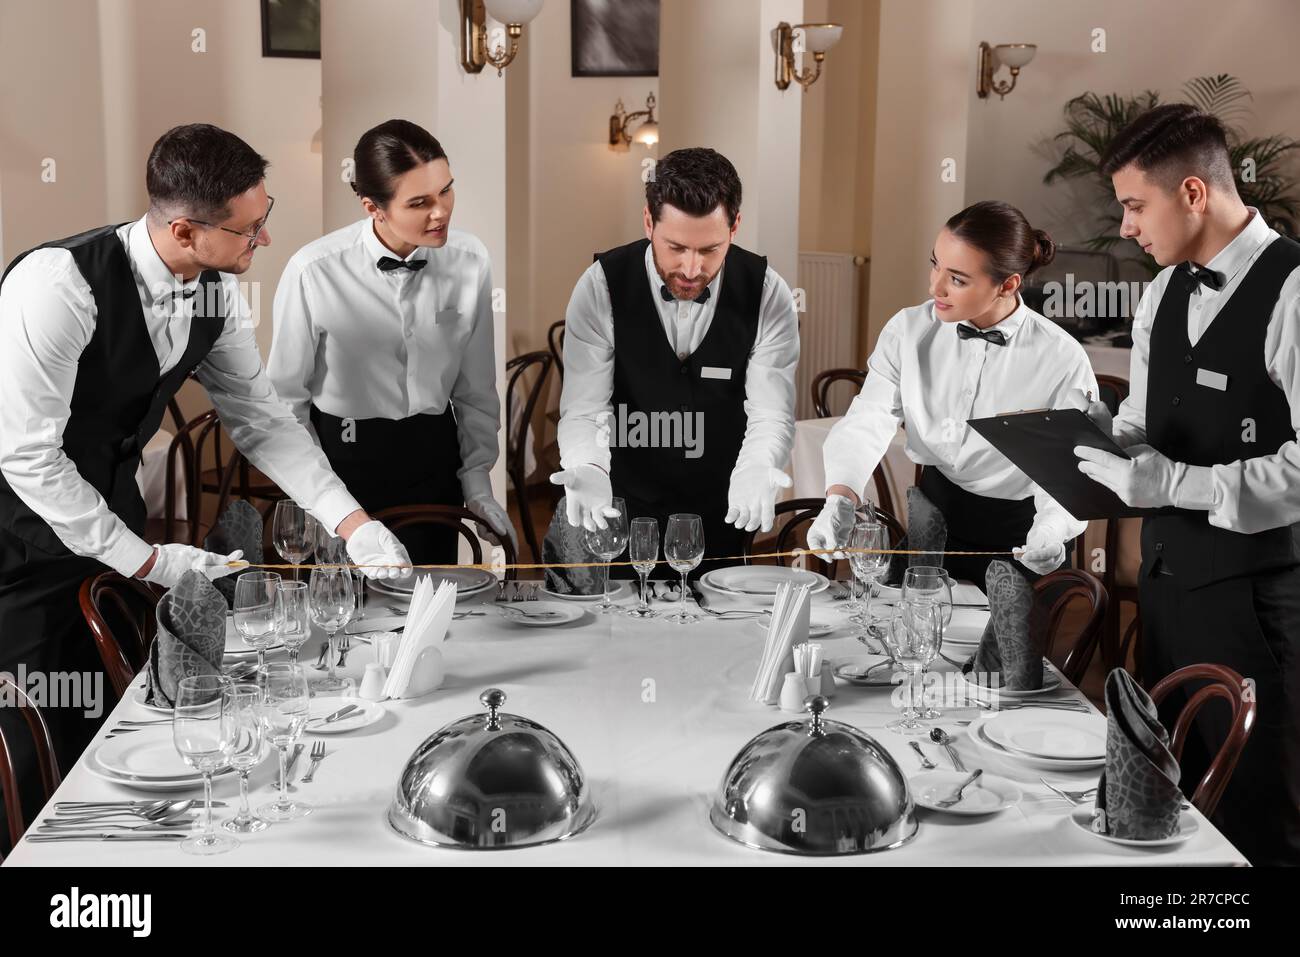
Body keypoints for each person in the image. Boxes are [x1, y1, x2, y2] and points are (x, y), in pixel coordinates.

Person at [0, 124, 410, 844]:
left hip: (111, 534)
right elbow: (27, 457)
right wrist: (153, 560)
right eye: (250, 230)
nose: (265, 242)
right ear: (185, 229)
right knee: (33, 749)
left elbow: (263, 421)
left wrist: (353, 523)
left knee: (115, 727)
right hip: (17, 547)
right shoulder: (56, 285)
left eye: (265, 217)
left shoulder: (216, 294)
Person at [1073, 104, 1300, 866]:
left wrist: (1176, 481)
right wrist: (1103, 436)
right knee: (1171, 791)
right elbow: (1142, 419)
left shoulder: (1294, 292)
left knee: (1260, 808)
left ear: (1194, 193)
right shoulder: (1162, 293)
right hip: (1169, 585)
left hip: (1262, 599)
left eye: (1136, 206)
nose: (1129, 227)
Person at [806, 201, 1097, 591]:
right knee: (907, 641)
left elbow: (1070, 469)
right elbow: (869, 418)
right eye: (935, 264)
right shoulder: (908, 330)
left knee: (1000, 651)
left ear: (1008, 284)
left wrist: (1052, 527)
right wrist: (840, 498)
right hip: (934, 516)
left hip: (1021, 533)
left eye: (957, 279)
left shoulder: (1061, 356)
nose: (934, 287)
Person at [269, 119, 513, 564]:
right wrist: (330, 505)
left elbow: (476, 390)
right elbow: (286, 405)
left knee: (433, 610)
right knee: (345, 618)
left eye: (446, 191)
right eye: (419, 202)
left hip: (433, 459)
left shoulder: (471, 262)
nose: (441, 212)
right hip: (342, 463)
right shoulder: (313, 271)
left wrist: (478, 483)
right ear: (372, 207)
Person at [552, 147, 798, 578]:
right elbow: (585, 408)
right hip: (624, 503)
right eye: (676, 247)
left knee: (720, 635)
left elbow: (771, 412)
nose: (691, 267)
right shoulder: (600, 287)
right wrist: (587, 464)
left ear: (735, 226)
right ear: (649, 222)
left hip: (722, 504)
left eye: (709, 249)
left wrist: (759, 465)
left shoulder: (768, 293)